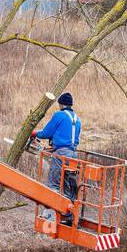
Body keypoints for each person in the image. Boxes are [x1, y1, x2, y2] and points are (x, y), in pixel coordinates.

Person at [34, 93, 81, 226]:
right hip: (73, 155)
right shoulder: (77, 119)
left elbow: (47, 132)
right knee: (68, 186)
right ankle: (69, 215)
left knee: (54, 184)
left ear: (61, 104)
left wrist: (35, 133)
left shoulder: (59, 115)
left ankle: (50, 216)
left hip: (61, 154)